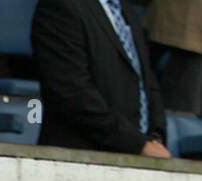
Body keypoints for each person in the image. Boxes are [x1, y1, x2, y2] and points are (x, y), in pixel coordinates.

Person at [32, 0, 170, 157]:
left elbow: (147, 82)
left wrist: (155, 138)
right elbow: (72, 93)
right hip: (79, 159)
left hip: (135, 157)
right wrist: (137, 144)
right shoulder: (60, 6)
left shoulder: (125, 10)